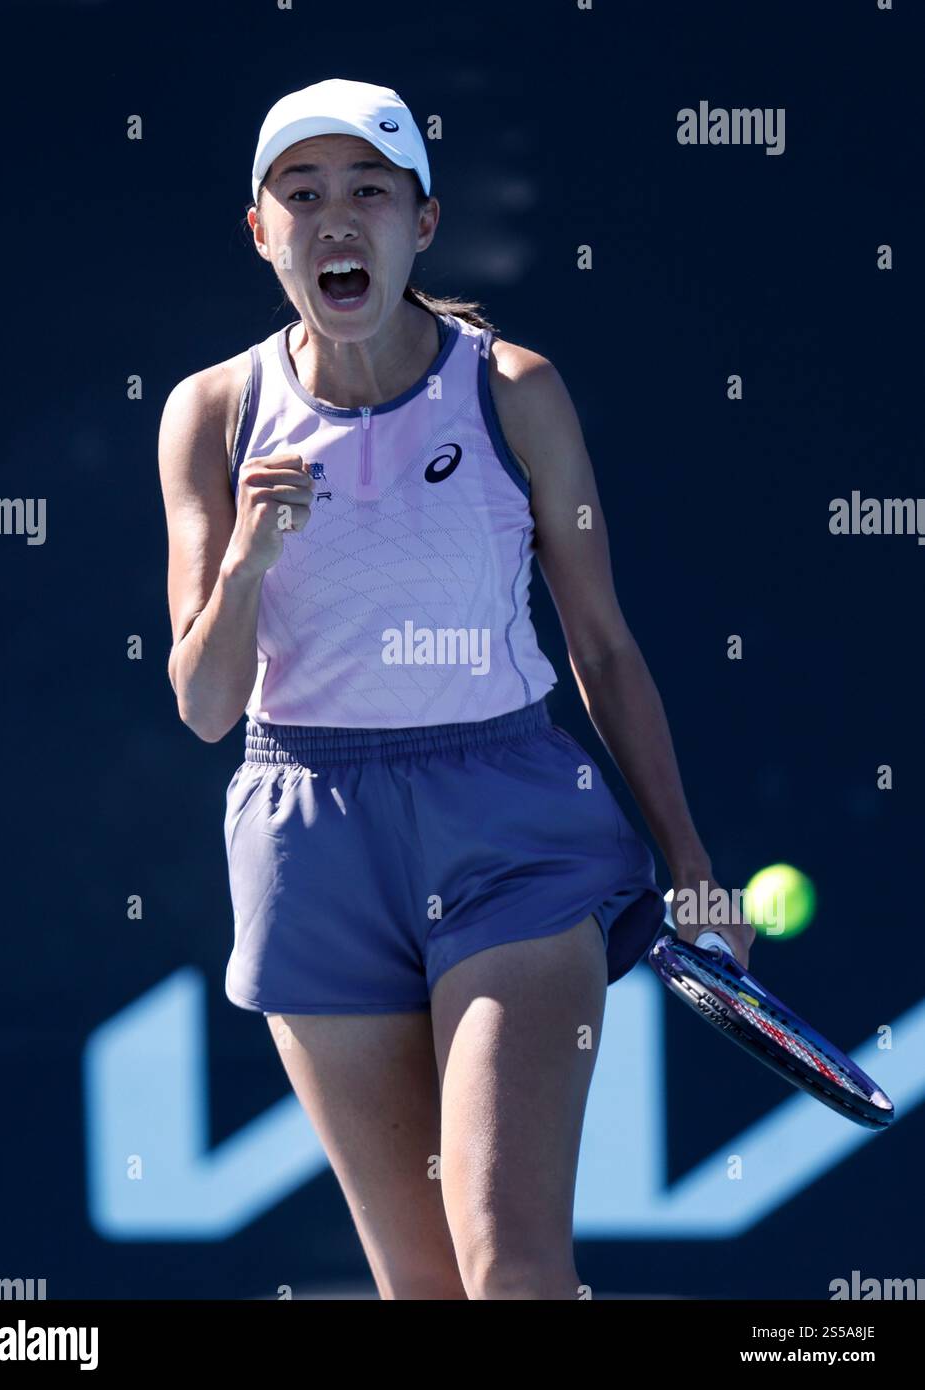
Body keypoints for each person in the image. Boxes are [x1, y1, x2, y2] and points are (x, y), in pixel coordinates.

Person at [158, 77, 754, 1301]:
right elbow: (205, 702)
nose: (337, 221)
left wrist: (689, 859)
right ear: (260, 230)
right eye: (303, 194)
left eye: (369, 192)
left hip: (513, 831)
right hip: (307, 840)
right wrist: (249, 561)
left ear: (421, 225)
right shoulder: (208, 415)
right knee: (426, 1292)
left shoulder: (516, 392)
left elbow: (604, 644)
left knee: (516, 1273)